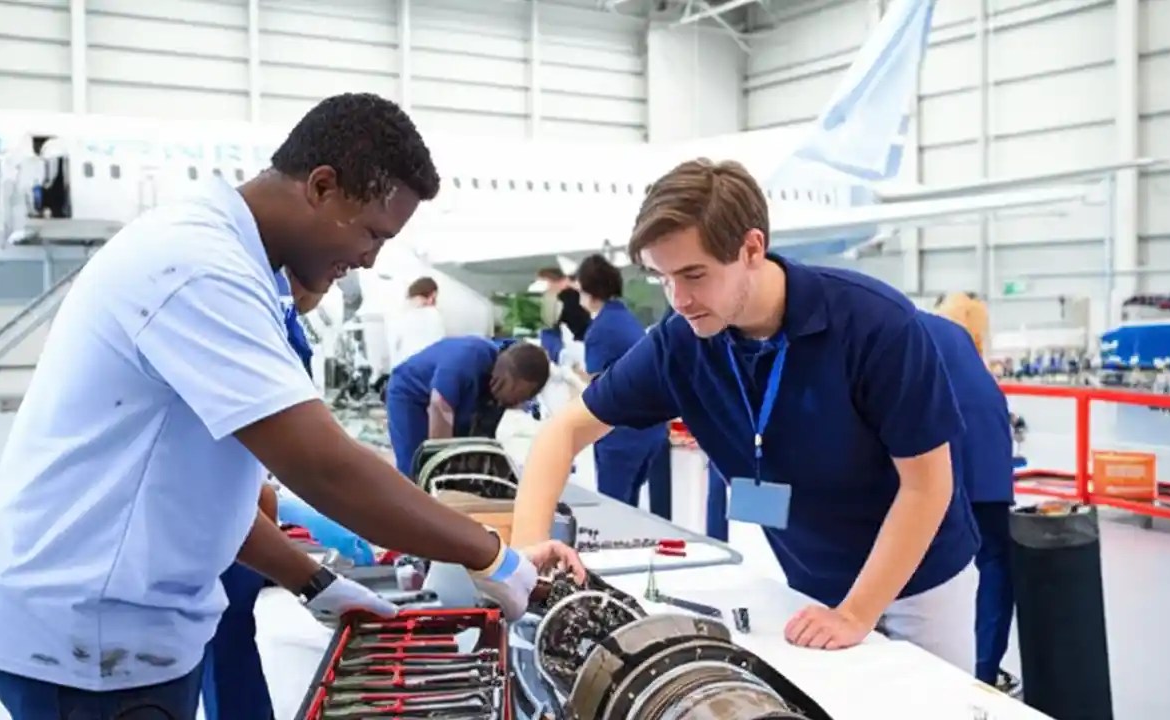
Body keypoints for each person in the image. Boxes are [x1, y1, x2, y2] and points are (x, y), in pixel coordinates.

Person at [0, 92, 584, 720]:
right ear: (321, 186)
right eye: (373, 232)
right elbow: (324, 467)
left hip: (121, 630)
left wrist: (311, 580)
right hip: (92, 645)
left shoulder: (239, 267)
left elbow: (200, 490)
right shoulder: (200, 268)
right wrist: (489, 554)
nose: (371, 257)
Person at [511, 158, 981, 673]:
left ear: (751, 248)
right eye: (663, 278)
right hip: (809, 580)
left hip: (921, 582)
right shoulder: (681, 344)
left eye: (694, 275)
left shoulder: (874, 325)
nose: (680, 300)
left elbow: (927, 486)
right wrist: (528, 554)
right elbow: (564, 429)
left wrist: (856, 613)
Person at [200, 269, 329, 720]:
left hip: (235, 524)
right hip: (218, 540)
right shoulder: (247, 313)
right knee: (226, 652)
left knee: (231, 652)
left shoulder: (280, 317)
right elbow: (315, 463)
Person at [929, 295, 1019, 690]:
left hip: (938, 446)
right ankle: (983, 672)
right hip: (982, 443)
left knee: (925, 558)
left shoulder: (897, 328)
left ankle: (955, 670)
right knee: (997, 560)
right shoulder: (956, 336)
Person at [573, 254, 672, 518]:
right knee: (628, 508)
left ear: (587, 289)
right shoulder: (627, 319)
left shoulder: (600, 329)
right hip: (649, 432)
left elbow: (600, 385)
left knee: (612, 511)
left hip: (622, 434)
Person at [386, 337, 551, 478]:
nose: (514, 402)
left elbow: (481, 442)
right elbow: (439, 408)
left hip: (455, 399)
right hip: (411, 396)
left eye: (521, 399)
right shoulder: (465, 360)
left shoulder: (505, 385)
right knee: (417, 469)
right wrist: (439, 468)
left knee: (467, 464)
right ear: (498, 378)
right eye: (514, 394)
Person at [388, 276, 447, 370]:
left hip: (404, 371)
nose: (431, 301)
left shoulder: (397, 315)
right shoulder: (432, 314)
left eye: (434, 298)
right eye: (429, 297)